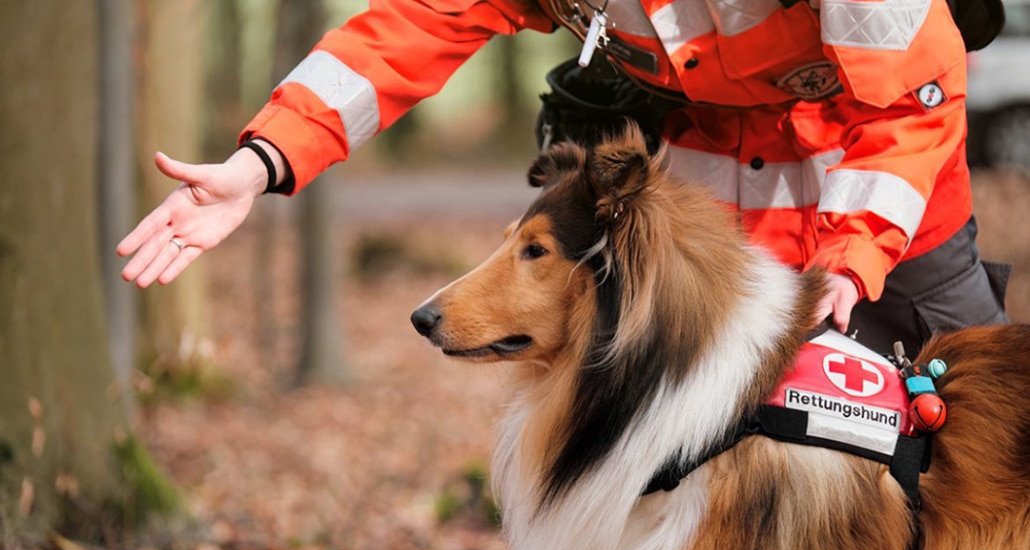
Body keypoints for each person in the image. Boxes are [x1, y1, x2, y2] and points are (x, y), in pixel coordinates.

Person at [117, 0, 1009, 356]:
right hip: (713, 231)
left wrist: (850, 265)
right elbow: (408, 30)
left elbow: (909, 109)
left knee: (994, 459)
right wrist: (261, 159)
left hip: (893, 208)